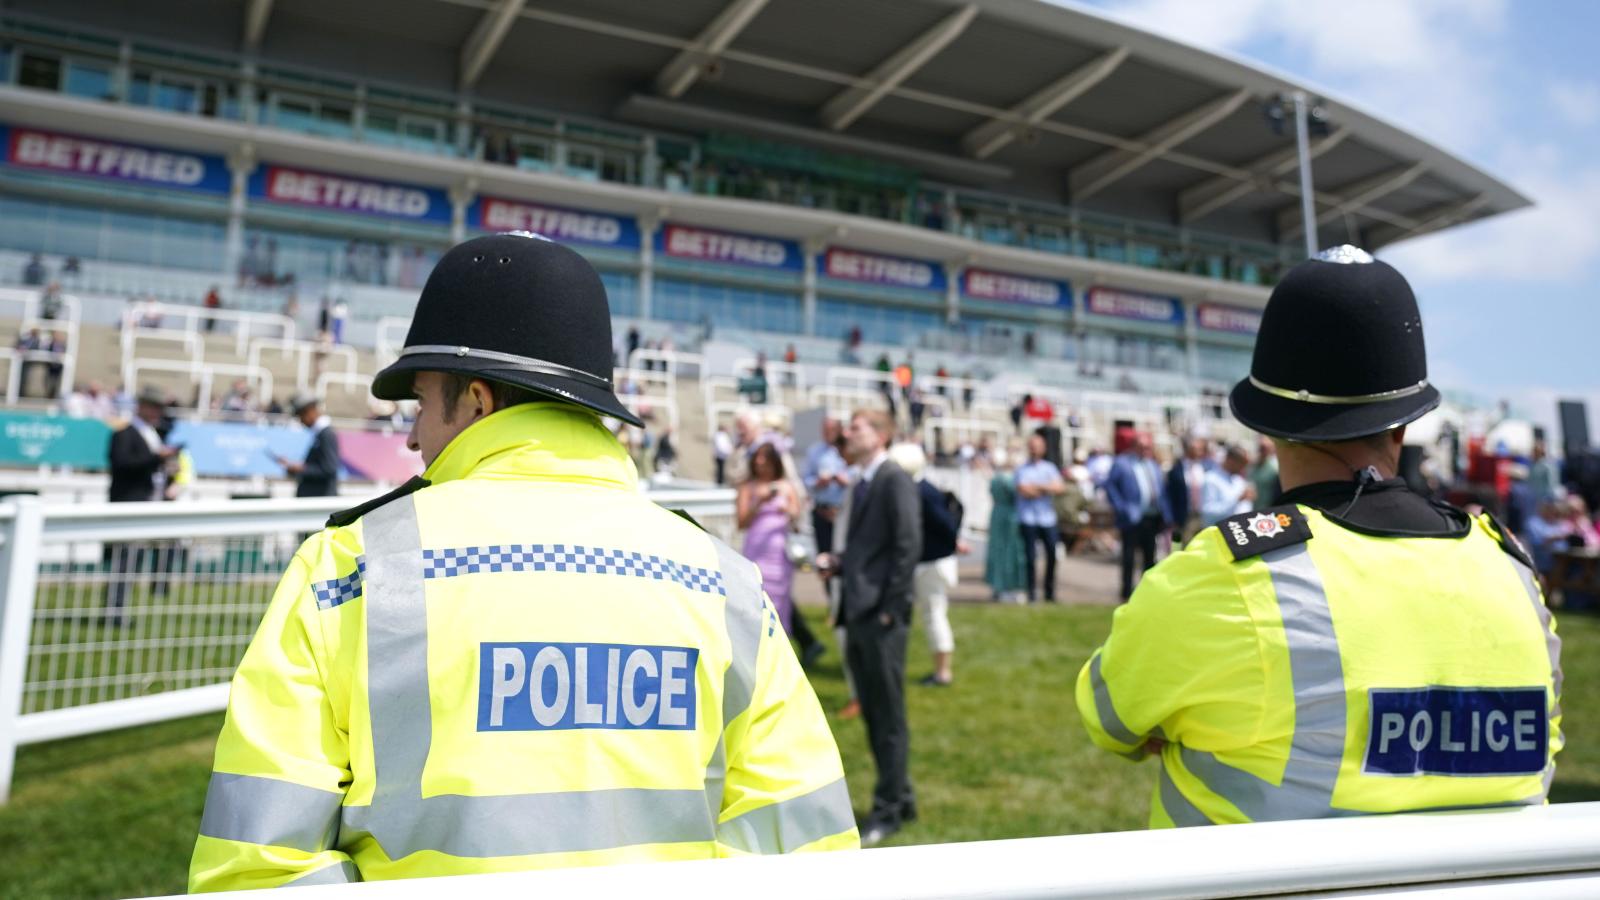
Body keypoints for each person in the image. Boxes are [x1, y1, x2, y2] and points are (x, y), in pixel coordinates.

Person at [191, 233, 856, 890]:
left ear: (477, 400)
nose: (415, 434)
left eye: (421, 402)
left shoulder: (347, 567)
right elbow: (803, 853)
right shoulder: (722, 581)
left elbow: (258, 871)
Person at [1077, 246, 1562, 828]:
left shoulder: (1225, 573)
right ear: (1404, 424)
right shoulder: (1511, 569)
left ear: (1266, 424)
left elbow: (1109, 716)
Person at [818, 408, 921, 847]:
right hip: (860, 611)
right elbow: (871, 548)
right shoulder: (864, 481)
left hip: (879, 616)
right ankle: (903, 796)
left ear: (879, 435)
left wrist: (890, 610)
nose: (847, 433)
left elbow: (906, 545)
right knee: (875, 713)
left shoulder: (892, 478)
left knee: (887, 716)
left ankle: (888, 809)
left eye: (856, 428)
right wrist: (837, 564)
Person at [889, 443, 961, 687]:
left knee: (934, 615)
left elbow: (946, 526)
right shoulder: (916, 489)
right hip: (924, 562)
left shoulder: (922, 492)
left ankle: (942, 672)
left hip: (930, 564)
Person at [104, 387, 177, 625]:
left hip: (147, 504)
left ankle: (118, 611)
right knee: (125, 560)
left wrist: (168, 473)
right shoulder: (125, 433)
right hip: (129, 505)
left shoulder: (151, 433)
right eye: (154, 407)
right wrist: (158, 458)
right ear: (142, 406)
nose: (158, 412)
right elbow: (122, 464)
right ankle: (115, 612)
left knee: (133, 560)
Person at [738, 442, 801, 634]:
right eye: (757, 457)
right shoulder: (748, 487)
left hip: (779, 551)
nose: (759, 462)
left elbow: (797, 516)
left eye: (764, 457)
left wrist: (787, 509)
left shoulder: (786, 486)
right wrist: (759, 503)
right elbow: (741, 522)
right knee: (755, 594)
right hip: (756, 549)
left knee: (780, 597)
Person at [1104, 433, 1171, 601]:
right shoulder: (1122, 463)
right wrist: (1121, 508)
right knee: (1129, 556)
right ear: (1134, 446)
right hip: (1132, 517)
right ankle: (1126, 593)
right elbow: (1110, 487)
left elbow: (1160, 490)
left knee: (1150, 557)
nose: (1145, 450)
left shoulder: (1153, 464)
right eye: (1142, 447)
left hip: (1152, 517)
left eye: (1148, 447)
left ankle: (1146, 592)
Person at [1015, 433, 1065, 603]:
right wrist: (1045, 488)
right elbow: (1024, 490)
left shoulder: (1049, 468)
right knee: (1030, 557)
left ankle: (1049, 592)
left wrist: (1037, 487)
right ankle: (1031, 592)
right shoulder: (1022, 469)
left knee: (1052, 554)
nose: (1035, 450)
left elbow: (1059, 488)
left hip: (1047, 519)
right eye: (1032, 446)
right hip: (1028, 519)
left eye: (1038, 446)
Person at [273, 394, 341, 497]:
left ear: (310, 411)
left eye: (301, 416)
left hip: (320, 499)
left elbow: (329, 468)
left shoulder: (326, 434)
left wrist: (301, 469)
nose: (301, 421)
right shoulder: (320, 434)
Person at [983, 446, 1027, 602]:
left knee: (999, 550)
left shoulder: (996, 478)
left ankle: (998, 586)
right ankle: (1007, 587)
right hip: (1010, 517)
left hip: (998, 515)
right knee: (1010, 552)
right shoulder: (1010, 479)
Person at [1166, 436, 1215, 544]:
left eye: (1200, 449)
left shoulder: (1207, 467)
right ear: (1187, 450)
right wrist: (1171, 519)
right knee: (1186, 546)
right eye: (1196, 449)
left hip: (1204, 516)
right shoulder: (1177, 470)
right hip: (1185, 516)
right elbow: (1169, 495)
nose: (1199, 452)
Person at [1199, 445, 1256, 525]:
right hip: (1217, 532)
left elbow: (1244, 508)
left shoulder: (1239, 481)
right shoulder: (1211, 479)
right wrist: (1237, 500)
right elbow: (1208, 512)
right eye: (1241, 464)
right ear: (1230, 460)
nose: (1243, 468)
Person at [1250, 436, 1281, 507]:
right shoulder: (1252, 464)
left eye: (1264, 448)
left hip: (1269, 506)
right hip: (1253, 506)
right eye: (1261, 447)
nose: (1262, 450)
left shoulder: (1275, 466)